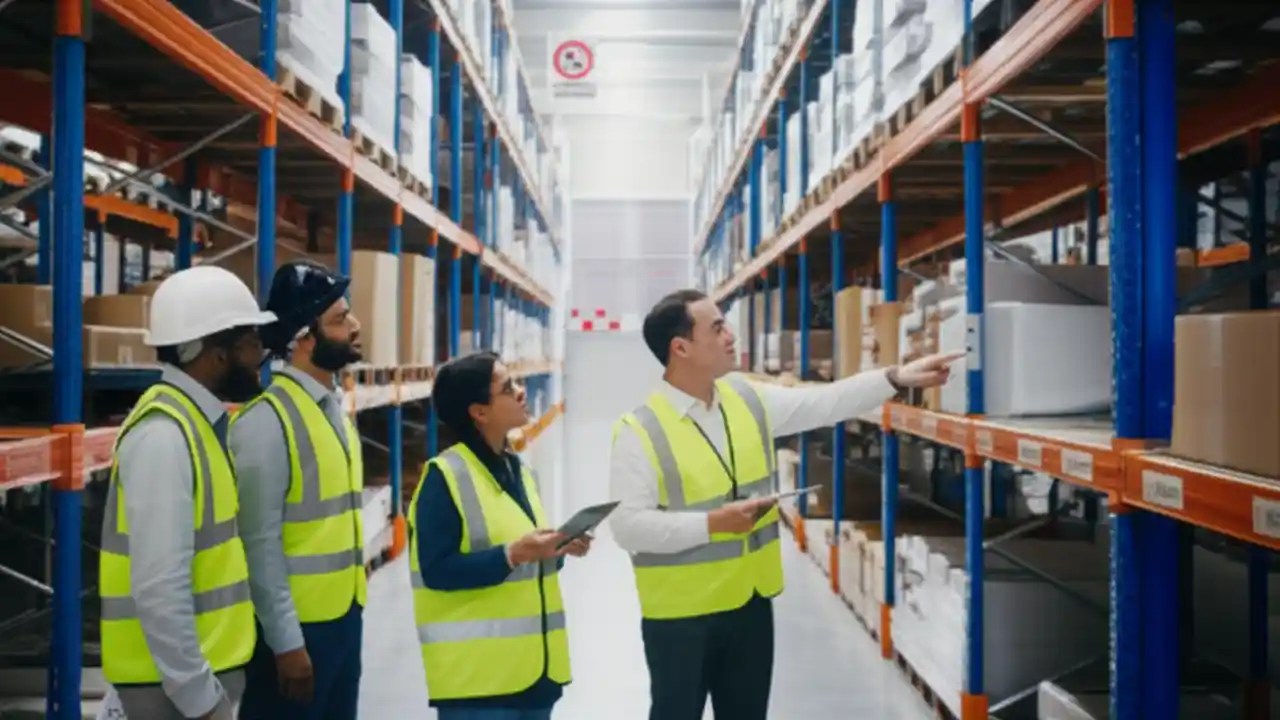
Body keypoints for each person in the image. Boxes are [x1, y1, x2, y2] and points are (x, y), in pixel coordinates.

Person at [609, 288, 959, 720]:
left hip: (750, 605)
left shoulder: (744, 398)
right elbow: (627, 527)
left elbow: (823, 402)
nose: (730, 336)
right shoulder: (639, 431)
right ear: (680, 348)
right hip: (681, 617)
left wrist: (896, 378)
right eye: (717, 328)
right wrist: (712, 524)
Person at [99, 265, 277, 720]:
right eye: (252, 343)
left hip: (193, 684)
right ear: (214, 353)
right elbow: (160, 588)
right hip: (174, 696)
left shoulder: (197, 424)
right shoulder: (164, 437)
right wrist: (202, 700)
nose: (262, 356)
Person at [407, 351, 590, 720]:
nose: (521, 391)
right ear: (479, 411)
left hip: (536, 675)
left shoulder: (518, 471)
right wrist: (514, 554)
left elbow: (527, 565)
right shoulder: (445, 477)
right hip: (481, 685)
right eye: (508, 387)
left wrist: (557, 550)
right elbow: (437, 570)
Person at [229, 261, 367, 720]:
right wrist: (285, 642)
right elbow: (258, 543)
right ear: (303, 338)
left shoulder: (335, 411)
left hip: (344, 617)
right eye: (339, 319)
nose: (355, 326)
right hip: (296, 632)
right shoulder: (266, 422)